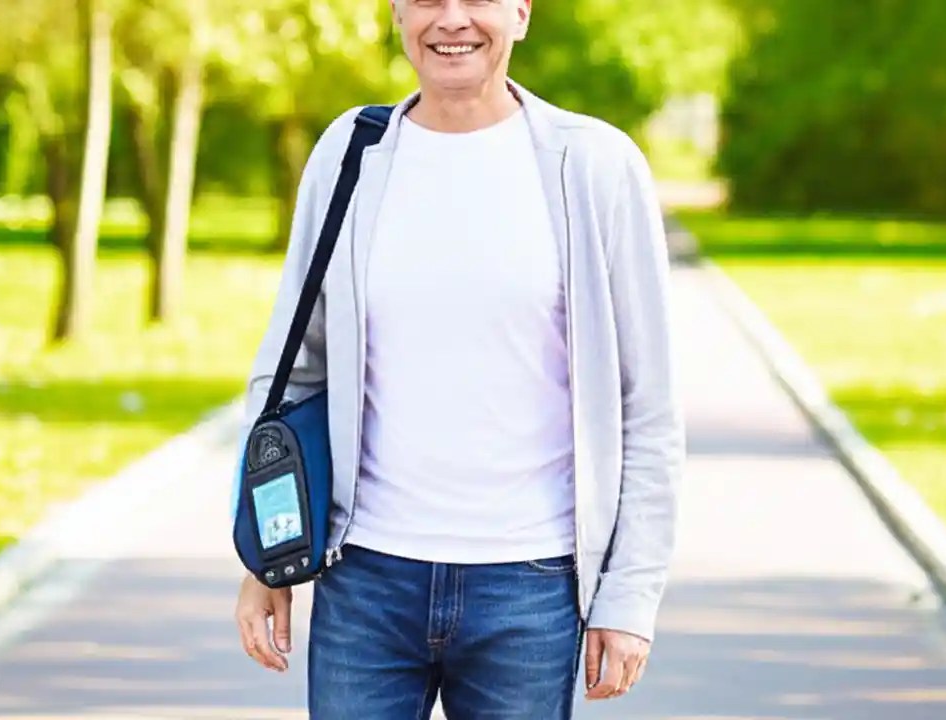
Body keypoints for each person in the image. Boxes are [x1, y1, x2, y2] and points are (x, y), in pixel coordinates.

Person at [233, 0, 684, 717]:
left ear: (522, 12)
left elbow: (648, 407)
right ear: (396, 13)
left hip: (530, 588)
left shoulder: (595, 166)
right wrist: (265, 553)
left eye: (476, 0)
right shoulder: (351, 154)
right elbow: (292, 370)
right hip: (366, 580)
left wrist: (630, 595)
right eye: (428, 0)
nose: (451, 20)